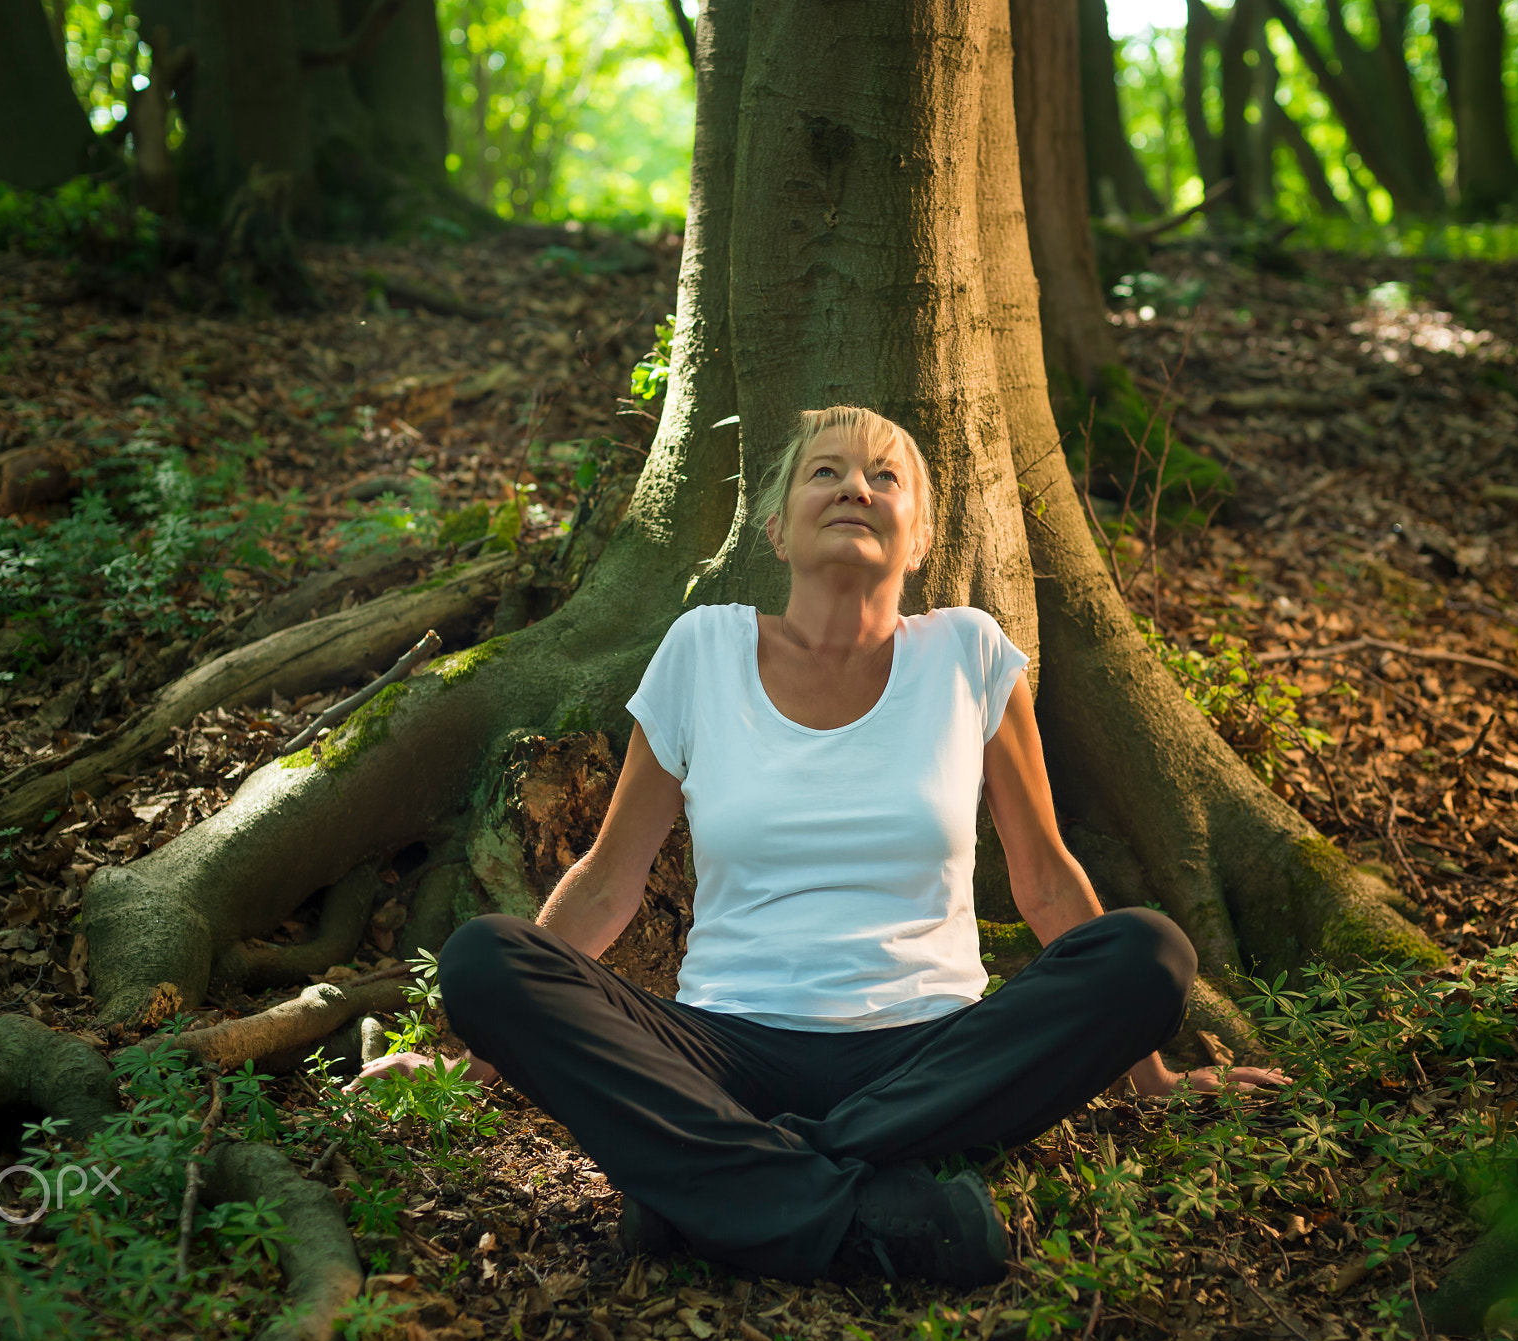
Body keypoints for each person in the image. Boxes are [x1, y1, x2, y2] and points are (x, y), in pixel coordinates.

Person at [358, 406, 1287, 1287]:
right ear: (775, 526)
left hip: (929, 1051)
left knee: (1149, 951)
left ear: (918, 535)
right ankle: (876, 1206)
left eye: (886, 475)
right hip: (723, 1050)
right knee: (486, 958)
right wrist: (471, 1052)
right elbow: (608, 880)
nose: (856, 486)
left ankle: (717, 1192)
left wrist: (1151, 1078)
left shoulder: (969, 654)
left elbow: (1044, 881)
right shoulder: (701, 650)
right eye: (826, 471)